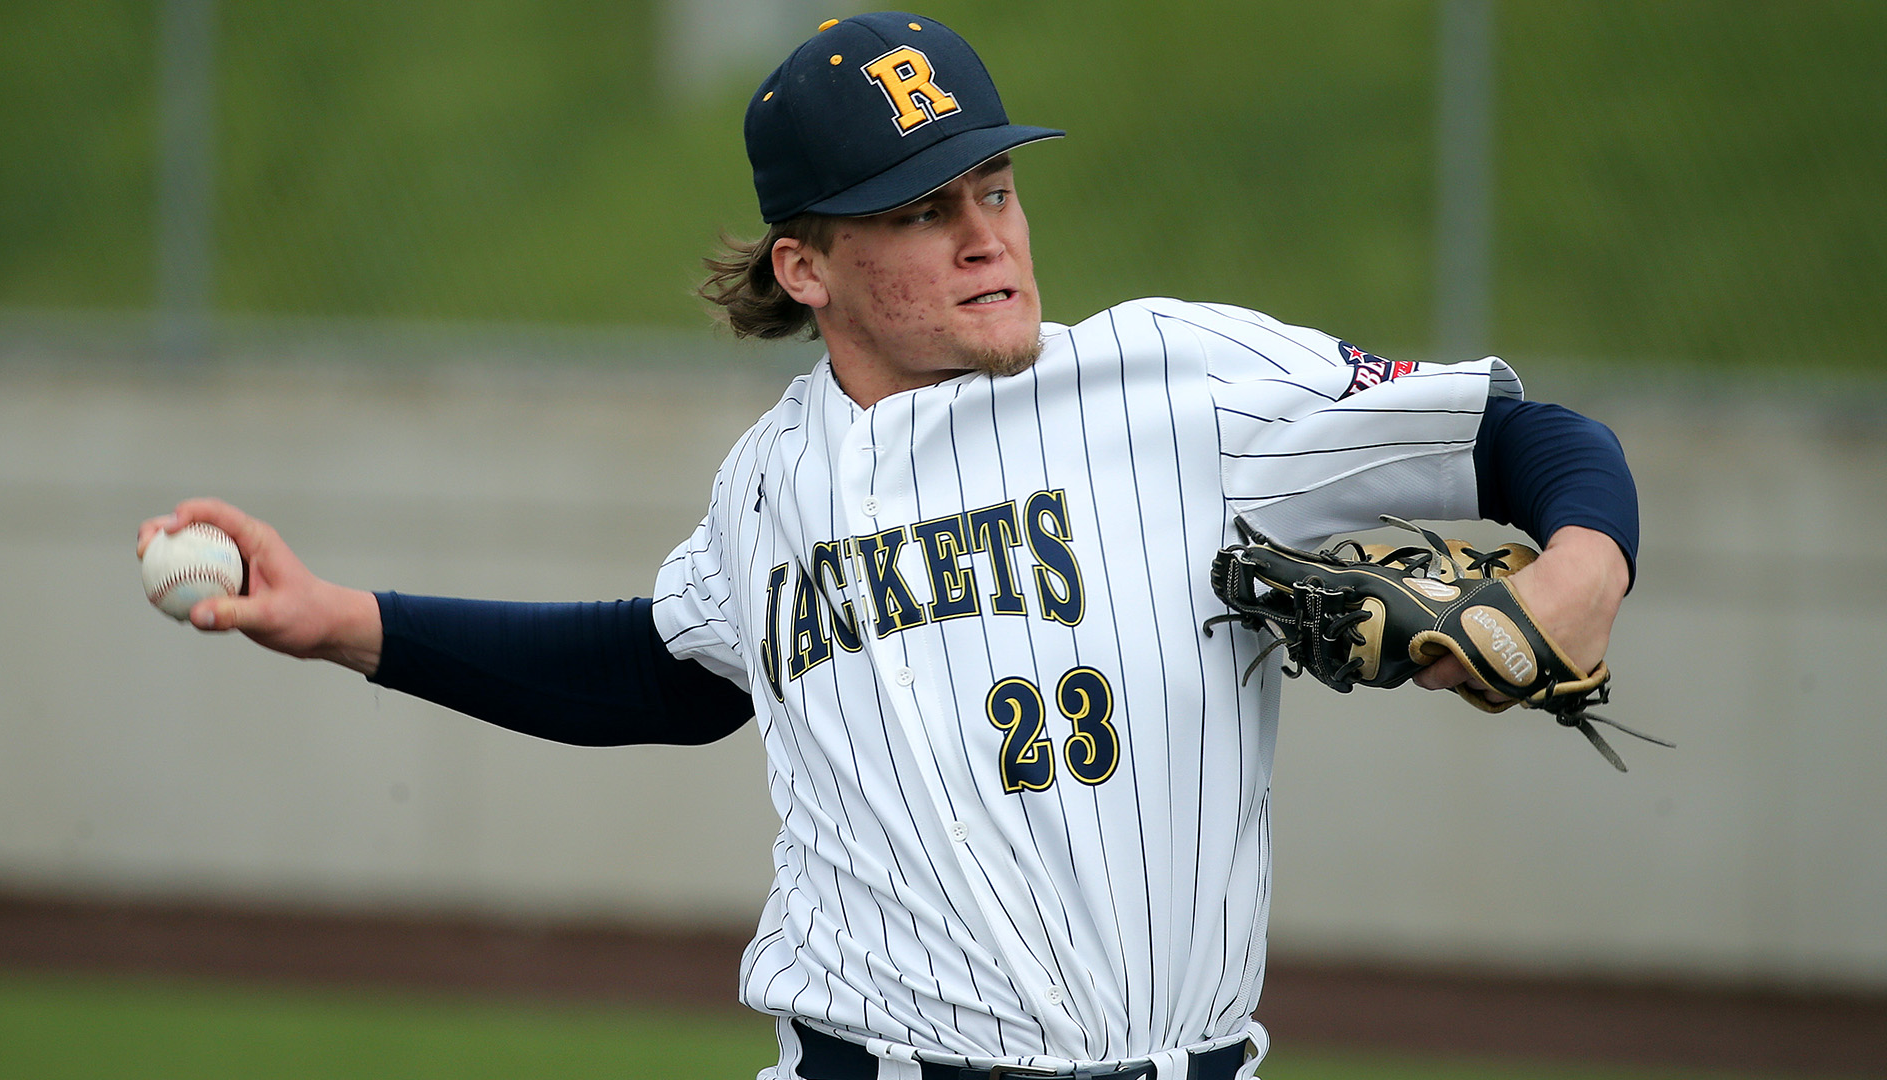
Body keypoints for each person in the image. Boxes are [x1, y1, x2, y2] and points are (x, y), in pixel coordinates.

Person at [138, 13, 1637, 1080]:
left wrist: (1578, 574)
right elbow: (664, 675)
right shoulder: (769, 483)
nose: (987, 233)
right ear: (808, 266)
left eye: (993, 185)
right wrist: (341, 619)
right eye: (924, 211)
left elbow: (1526, 437)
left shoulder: (1181, 381)